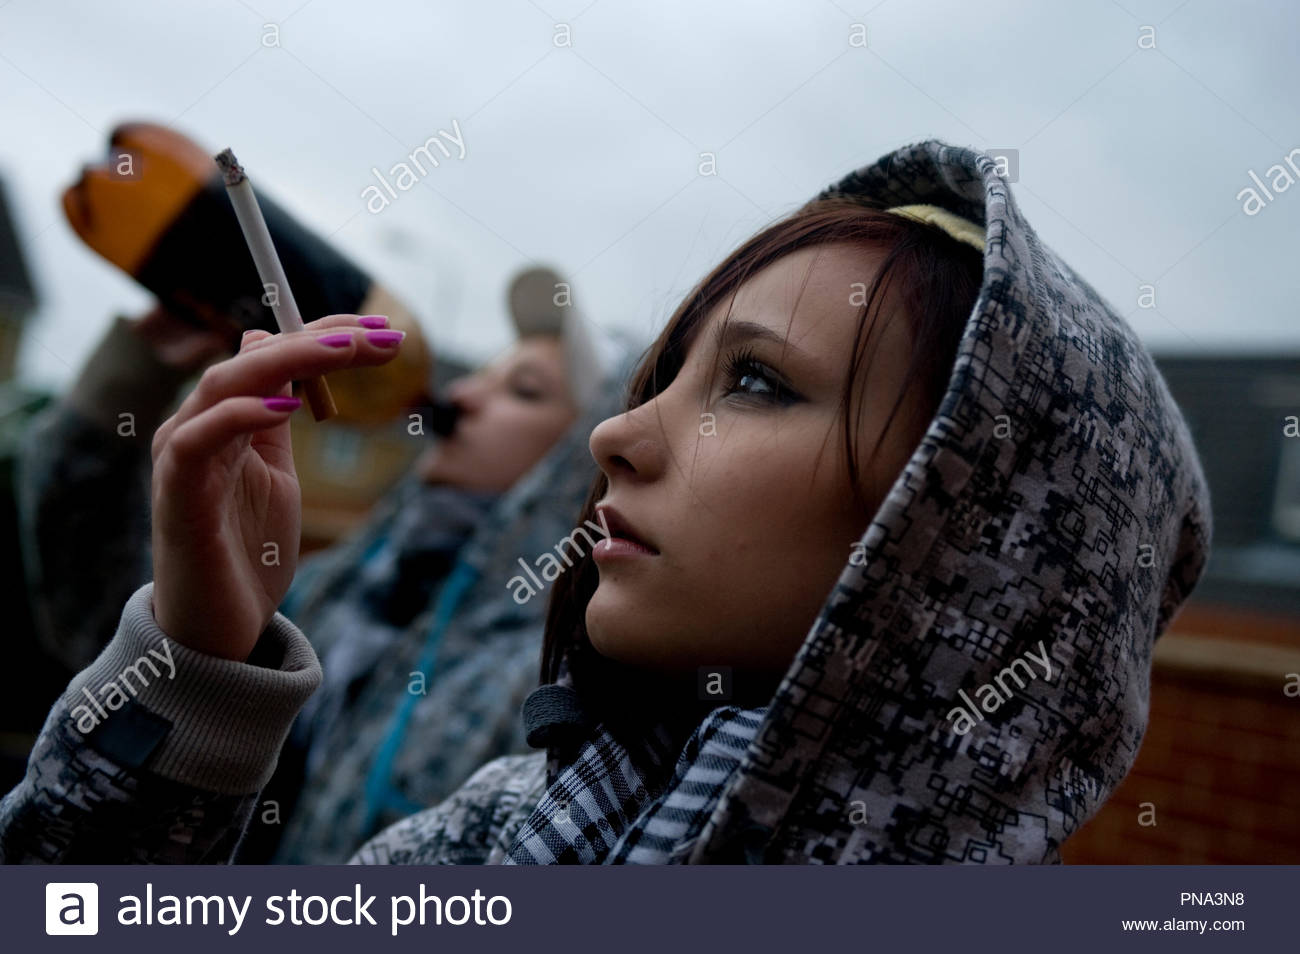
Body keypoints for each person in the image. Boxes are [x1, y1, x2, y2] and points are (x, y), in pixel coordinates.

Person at [0, 140, 1211, 865]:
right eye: (657, 380)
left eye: (753, 380)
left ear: (966, 537)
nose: (615, 435)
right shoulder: (509, 827)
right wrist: (206, 665)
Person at [13, 266, 627, 863]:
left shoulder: (558, 679)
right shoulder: (341, 591)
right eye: (483, 376)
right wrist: (132, 379)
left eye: (523, 390)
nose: (462, 394)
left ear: (578, 465)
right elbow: (94, 617)